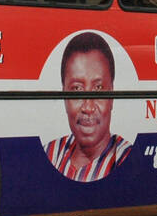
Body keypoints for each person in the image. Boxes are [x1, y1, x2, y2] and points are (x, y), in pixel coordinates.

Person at [44, 32, 132, 182]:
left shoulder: (124, 157)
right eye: (77, 89)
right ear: (64, 95)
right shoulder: (51, 153)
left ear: (112, 95)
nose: (88, 107)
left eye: (98, 88)